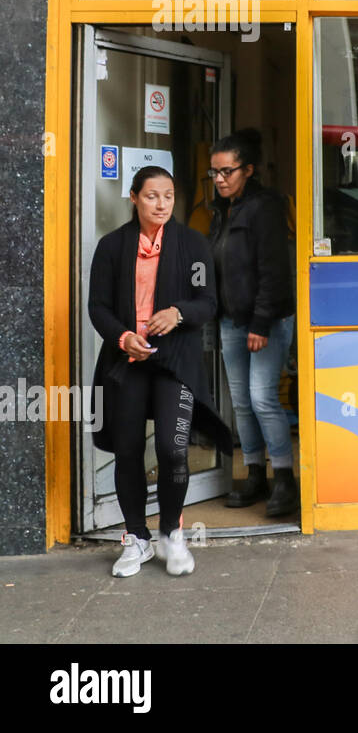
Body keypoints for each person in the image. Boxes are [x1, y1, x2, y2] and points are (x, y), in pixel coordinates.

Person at [88, 165, 232, 577]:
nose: (161, 204)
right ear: (133, 198)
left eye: (168, 195)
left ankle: (171, 533)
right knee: (128, 450)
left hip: (176, 362)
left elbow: (207, 303)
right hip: (127, 362)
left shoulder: (193, 245)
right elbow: (97, 306)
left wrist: (178, 312)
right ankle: (137, 539)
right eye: (152, 196)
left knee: (172, 450)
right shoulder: (112, 246)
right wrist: (121, 337)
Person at [208, 129, 298, 517]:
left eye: (227, 172)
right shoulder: (220, 210)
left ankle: (284, 479)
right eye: (213, 173)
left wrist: (260, 324)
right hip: (231, 320)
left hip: (268, 319)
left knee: (263, 399)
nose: (219, 179)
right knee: (242, 403)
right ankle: (254, 474)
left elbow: (274, 271)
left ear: (248, 170)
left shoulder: (265, 207)